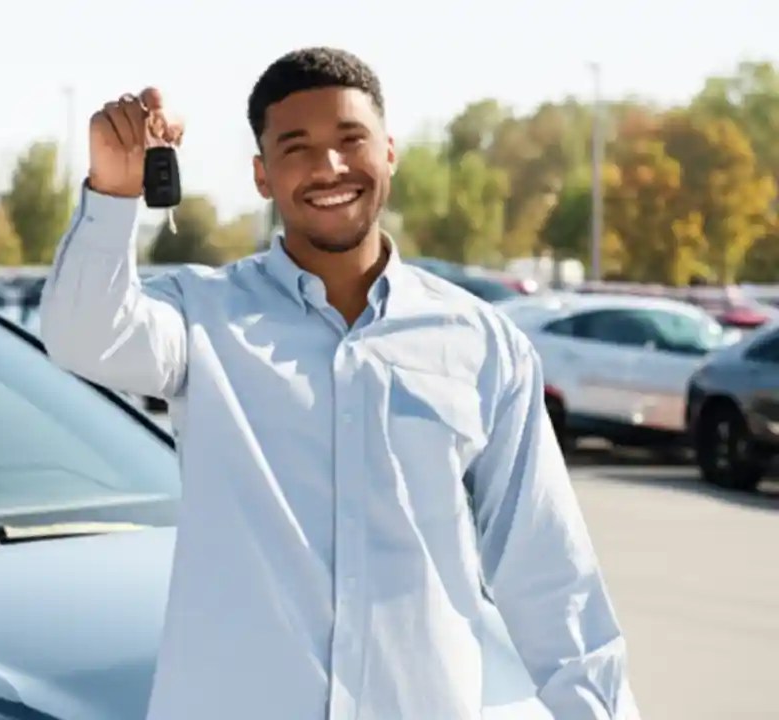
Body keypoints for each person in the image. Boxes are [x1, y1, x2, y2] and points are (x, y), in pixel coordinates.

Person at [40, 47, 639, 720]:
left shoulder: (482, 345)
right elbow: (82, 335)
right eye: (297, 148)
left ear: (388, 153)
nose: (329, 168)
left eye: (350, 140)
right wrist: (114, 193)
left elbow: (549, 574)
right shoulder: (202, 316)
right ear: (263, 177)